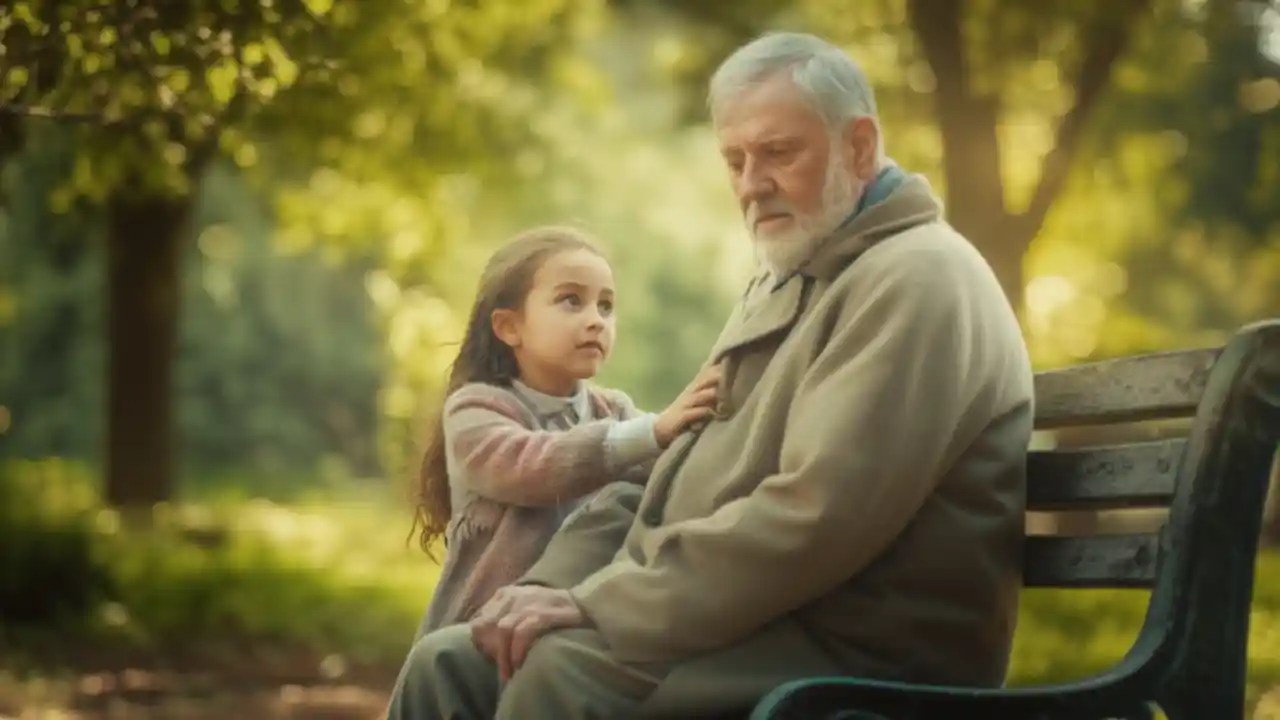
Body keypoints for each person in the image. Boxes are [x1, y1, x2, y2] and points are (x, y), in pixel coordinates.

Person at [387, 31, 1035, 720]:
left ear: (860, 146)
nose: (752, 185)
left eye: (778, 153)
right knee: (450, 664)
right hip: (751, 618)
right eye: (735, 161)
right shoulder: (788, 280)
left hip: (858, 646)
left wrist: (597, 605)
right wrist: (546, 586)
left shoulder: (918, 279)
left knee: (558, 678)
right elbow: (657, 475)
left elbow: (816, 519)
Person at [407, 225, 721, 638]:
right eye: (571, 301)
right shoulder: (475, 409)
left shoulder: (614, 410)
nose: (595, 320)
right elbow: (531, 465)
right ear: (509, 327)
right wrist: (653, 433)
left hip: (577, 623)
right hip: (483, 634)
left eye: (606, 306)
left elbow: (675, 471)